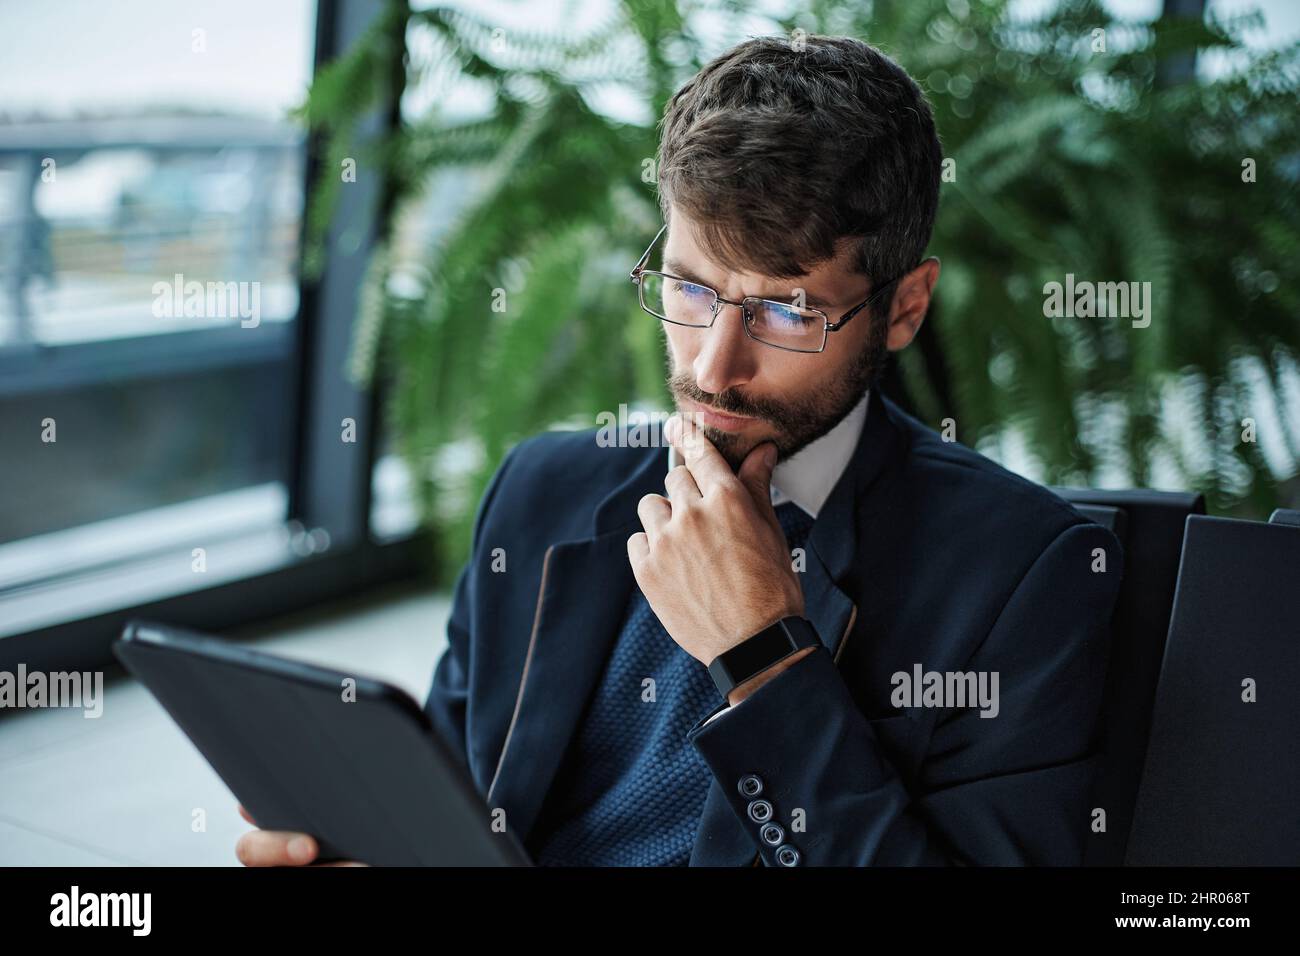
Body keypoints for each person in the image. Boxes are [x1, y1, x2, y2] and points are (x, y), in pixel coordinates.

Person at [237, 33, 1121, 868]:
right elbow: (460, 806)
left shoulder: (1025, 576)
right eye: (691, 290)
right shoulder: (539, 490)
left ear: (905, 308)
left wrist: (763, 658)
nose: (711, 368)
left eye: (787, 312)